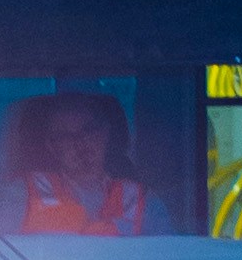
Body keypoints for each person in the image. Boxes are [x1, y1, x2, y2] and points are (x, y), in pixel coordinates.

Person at [12, 91, 172, 237]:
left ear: (106, 133)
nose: (80, 142)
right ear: (52, 146)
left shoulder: (141, 200)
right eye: (65, 136)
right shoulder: (22, 194)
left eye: (88, 130)